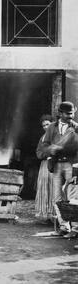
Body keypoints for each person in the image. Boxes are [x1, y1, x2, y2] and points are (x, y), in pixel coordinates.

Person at [42, 101, 78, 235]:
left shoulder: (77, 128)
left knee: (73, 198)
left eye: (72, 113)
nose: (71, 116)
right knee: (57, 197)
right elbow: (44, 145)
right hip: (56, 166)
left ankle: (75, 229)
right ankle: (63, 227)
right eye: (68, 114)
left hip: (71, 165)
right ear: (60, 113)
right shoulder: (51, 127)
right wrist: (49, 151)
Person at [35, 114, 54, 221]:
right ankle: (45, 214)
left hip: (54, 165)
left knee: (53, 187)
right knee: (44, 187)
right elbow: (38, 151)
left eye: (48, 124)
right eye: (44, 125)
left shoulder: (57, 136)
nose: (46, 127)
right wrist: (44, 155)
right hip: (44, 165)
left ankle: (54, 215)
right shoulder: (42, 138)